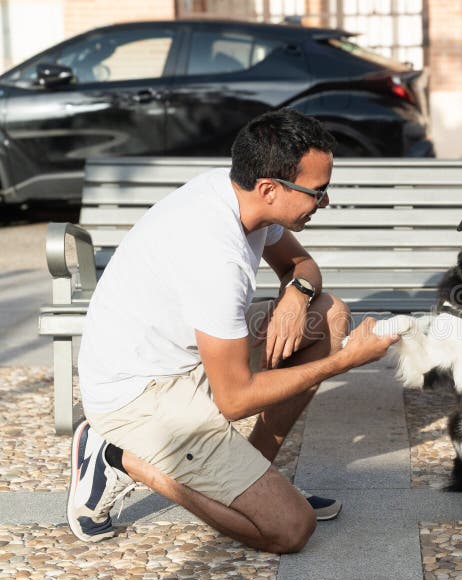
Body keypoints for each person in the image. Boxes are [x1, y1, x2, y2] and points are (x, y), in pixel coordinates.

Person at [67, 110, 398, 553]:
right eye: (317, 193)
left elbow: (302, 267)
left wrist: (296, 296)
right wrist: (343, 362)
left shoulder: (234, 193)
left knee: (329, 315)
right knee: (290, 528)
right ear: (269, 188)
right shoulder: (216, 258)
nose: (325, 202)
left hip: (180, 357)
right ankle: (117, 457)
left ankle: (249, 480)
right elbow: (235, 400)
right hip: (139, 395)